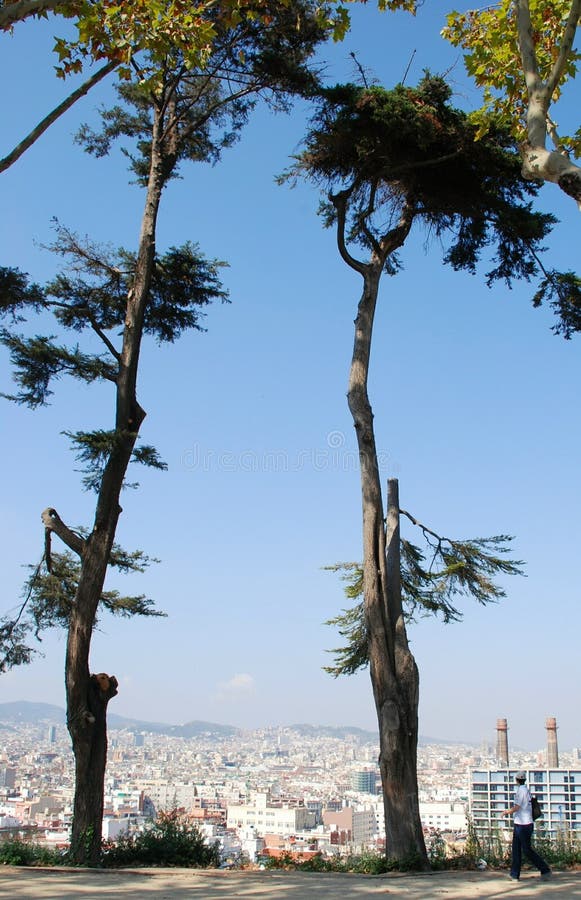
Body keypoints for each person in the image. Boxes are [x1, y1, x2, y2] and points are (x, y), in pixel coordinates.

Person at [503, 771, 551, 881]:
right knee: (517, 849)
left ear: (516, 780)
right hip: (524, 823)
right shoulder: (526, 790)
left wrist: (506, 812)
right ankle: (514, 874)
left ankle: (544, 869)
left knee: (526, 850)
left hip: (523, 825)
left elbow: (517, 807)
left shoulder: (521, 791)